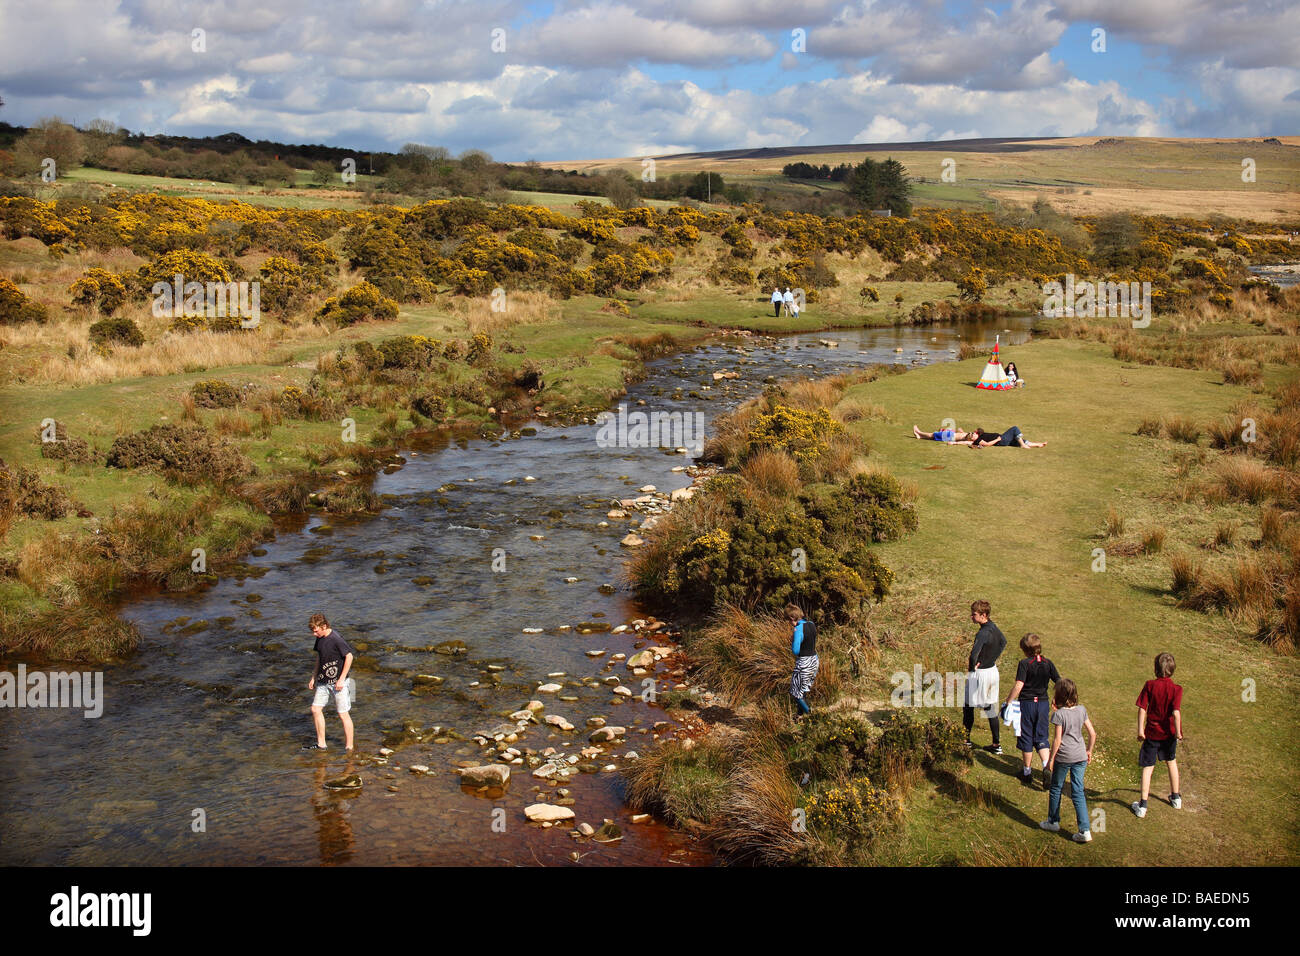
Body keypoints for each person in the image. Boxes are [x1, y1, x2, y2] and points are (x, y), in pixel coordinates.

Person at [1040, 677, 1097, 842]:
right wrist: (1089, 751)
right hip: (1080, 756)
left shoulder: (1059, 714)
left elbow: (1057, 740)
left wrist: (1051, 760)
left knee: (1056, 788)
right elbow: (1092, 733)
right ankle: (1085, 830)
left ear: (1058, 696)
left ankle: (1053, 821)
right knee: (1078, 791)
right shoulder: (1082, 710)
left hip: (1064, 757)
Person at [1002, 633, 1061, 787]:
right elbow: (1059, 681)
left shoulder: (1024, 663)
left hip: (1027, 704)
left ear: (1025, 649)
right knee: (1041, 736)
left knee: (1026, 736)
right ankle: (1046, 767)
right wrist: (1056, 698)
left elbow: (1019, 685)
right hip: (1042, 704)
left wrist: (1008, 701)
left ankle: (1027, 772)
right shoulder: (1048, 663)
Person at [1131, 652, 1184, 818]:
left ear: (1155, 669)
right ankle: (1176, 798)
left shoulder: (1150, 685)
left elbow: (1142, 709)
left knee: (1148, 767)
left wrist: (1140, 730)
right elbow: (1176, 713)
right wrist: (1178, 732)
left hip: (1152, 734)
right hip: (1169, 734)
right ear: (1172, 670)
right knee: (1171, 761)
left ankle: (1143, 805)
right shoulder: (1176, 689)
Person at [307, 612, 355, 751]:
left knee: (343, 714)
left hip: (340, 683)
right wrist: (313, 676)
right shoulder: (320, 638)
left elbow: (349, 657)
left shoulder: (336, 639)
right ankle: (321, 744)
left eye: (316, 631)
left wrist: (341, 679)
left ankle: (349, 747)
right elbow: (319, 658)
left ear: (324, 626)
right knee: (315, 709)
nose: (314, 634)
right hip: (323, 681)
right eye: (313, 631)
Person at [964, 599, 1006, 753]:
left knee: (968, 706)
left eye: (974, 614)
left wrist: (972, 669)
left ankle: (966, 740)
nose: (971, 617)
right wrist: (991, 659)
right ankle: (996, 745)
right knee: (989, 708)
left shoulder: (982, 633)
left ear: (983, 615)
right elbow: (1003, 642)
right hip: (992, 672)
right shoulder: (993, 627)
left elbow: (973, 655)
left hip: (980, 674)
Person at [786, 603, 818, 719]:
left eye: (788, 620)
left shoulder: (798, 629)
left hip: (804, 662)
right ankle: (799, 716)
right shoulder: (811, 624)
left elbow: (795, 650)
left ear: (792, 618)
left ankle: (812, 717)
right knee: (803, 691)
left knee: (796, 694)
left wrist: (793, 638)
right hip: (814, 660)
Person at [969, 426, 1046, 448]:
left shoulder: (980, 435)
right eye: (972, 435)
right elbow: (987, 444)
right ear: (972, 438)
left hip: (1002, 439)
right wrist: (997, 439)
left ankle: (1038, 444)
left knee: (1018, 440)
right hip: (1001, 440)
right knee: (1014, 429)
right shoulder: (978, 440)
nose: (973, 434)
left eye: (973, 433)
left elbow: (978, 430)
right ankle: (1023, 445)